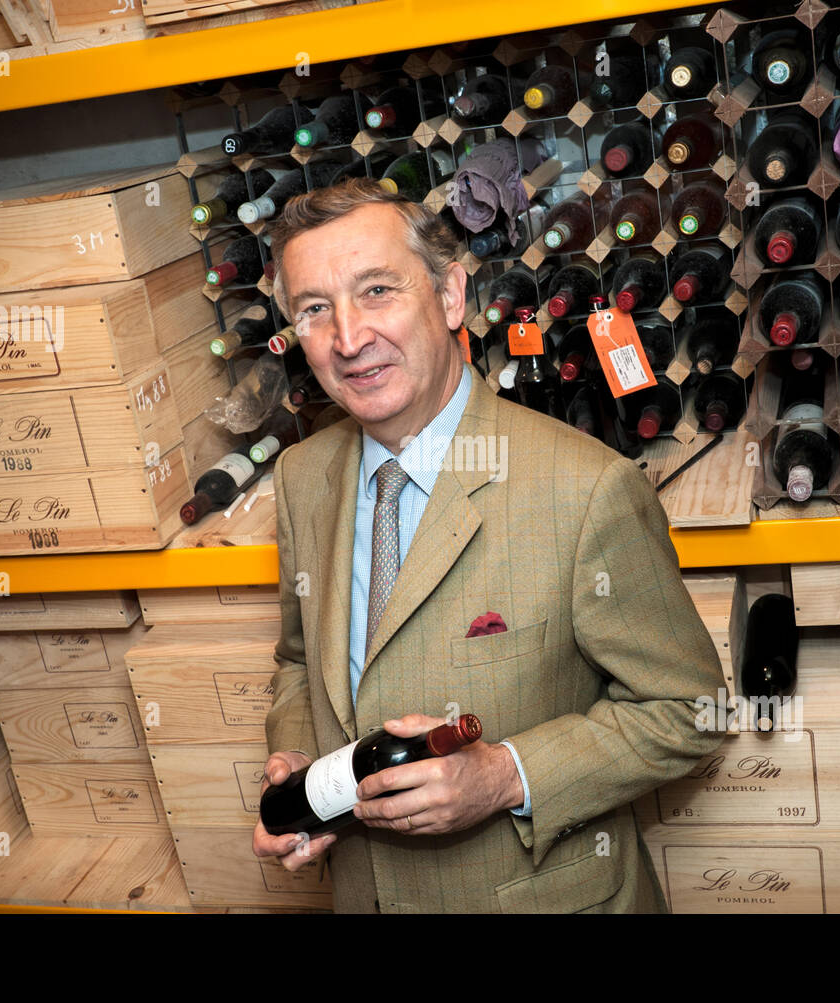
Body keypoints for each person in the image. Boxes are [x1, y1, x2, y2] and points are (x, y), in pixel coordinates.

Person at [250, 179, 726, 913]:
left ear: (448, 297)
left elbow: (690, 708)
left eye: (377, 291)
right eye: (315, 309)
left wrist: (506, 774)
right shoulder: (301, 476)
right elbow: (297, 660)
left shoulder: (585, 486)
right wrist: (300, 770)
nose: (347, 338)